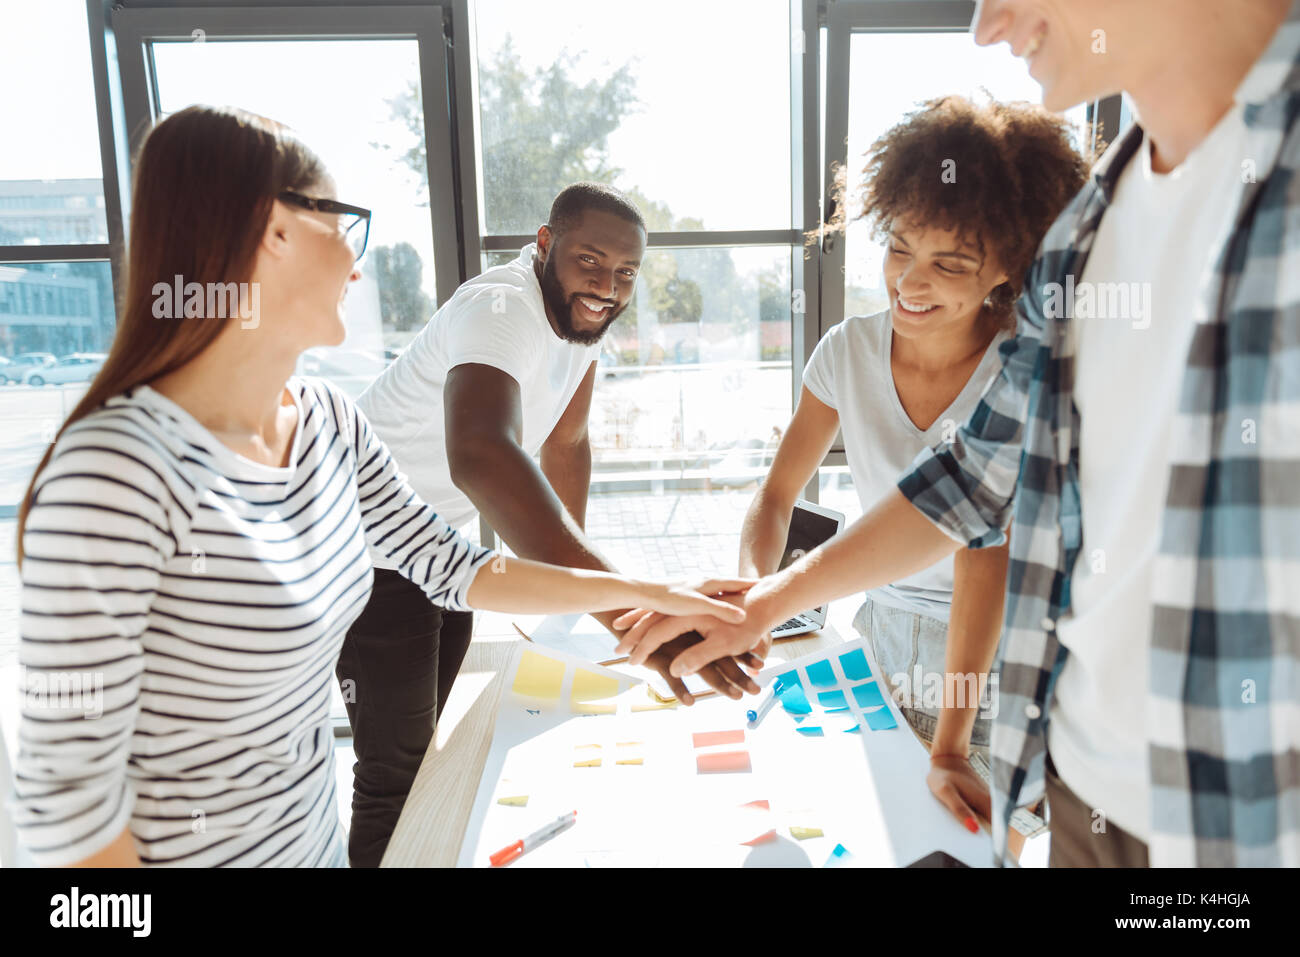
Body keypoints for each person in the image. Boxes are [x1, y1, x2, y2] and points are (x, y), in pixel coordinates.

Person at [618, 0, 1300, 867]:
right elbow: (974, 482)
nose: (986, 24)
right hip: (1089, 789)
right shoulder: (1087, 226)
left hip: (1240, 821)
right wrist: (765, 604)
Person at [9, 105, 749, 868]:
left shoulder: (329, 423)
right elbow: (68, 817)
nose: (359, 267)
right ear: (274, 233)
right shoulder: (113, 472)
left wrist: (650, 599)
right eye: (344, 225)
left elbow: (459, 567)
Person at [341, 183, 760, 865]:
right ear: (544, 243)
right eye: (590, 261)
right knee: (397, 776)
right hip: (368, 556)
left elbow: (565, 446)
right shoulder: (501, 307)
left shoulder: (579, 326)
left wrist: (571, 594)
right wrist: (618, 607)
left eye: (626, 272)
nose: (607, 286)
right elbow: (480, 453)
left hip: (440, 548)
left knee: (440, 756)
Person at [733, 94, 1086, 849]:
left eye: (949, 263)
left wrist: (953, 741)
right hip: (884, 632)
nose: (909, 283)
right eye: (899, 248)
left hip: (989, 654)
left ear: (1007, 271)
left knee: (977, 845)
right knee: (879, 838)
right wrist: (752, 597)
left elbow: (981, 554)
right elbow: (775, 495)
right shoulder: (847, 352)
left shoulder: (1022, 369)